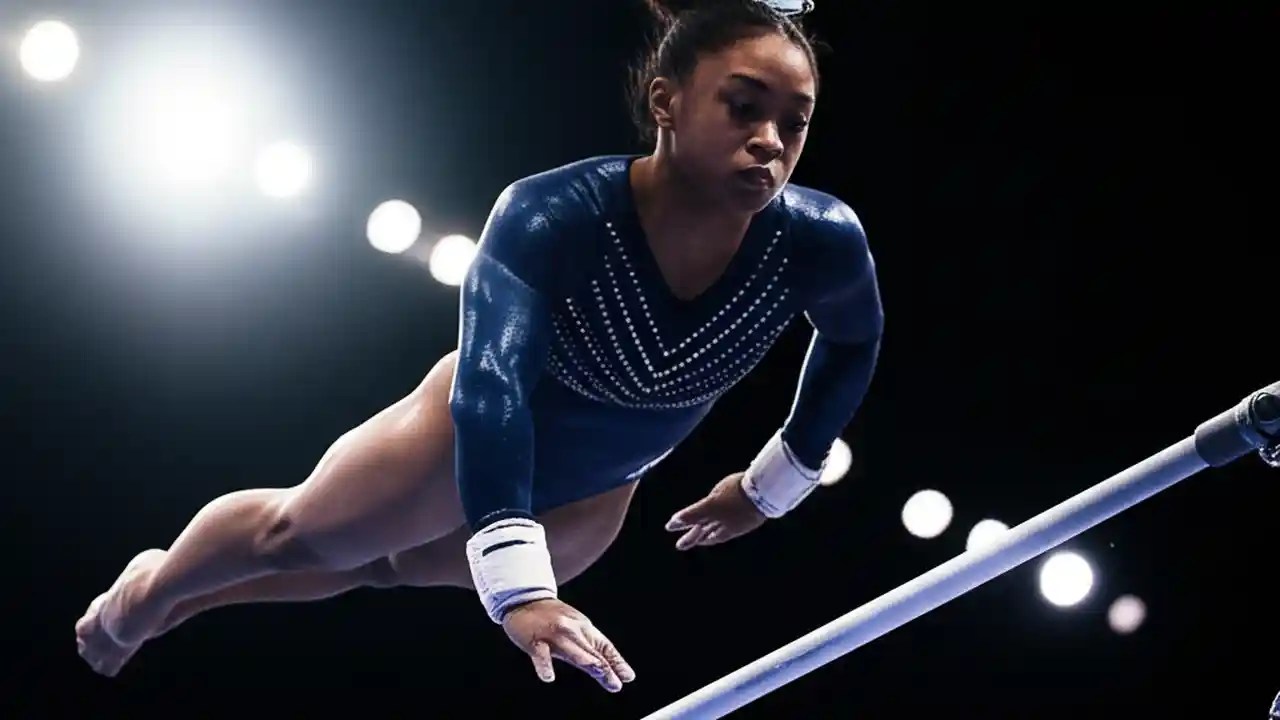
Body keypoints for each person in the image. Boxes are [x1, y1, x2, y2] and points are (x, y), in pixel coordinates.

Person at [75, 0, 883, 694]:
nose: (771, 141)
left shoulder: (820, 240)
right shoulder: (553, 215)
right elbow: (491, 390)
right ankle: (148, 593)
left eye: (796, 121)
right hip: (469, 436)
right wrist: (518, 587)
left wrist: (771, 485)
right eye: (744, 107)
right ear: (666, 102)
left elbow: (854, 339)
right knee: (296, 536)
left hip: (596, 490)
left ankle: (184, 600)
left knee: (376, 567)